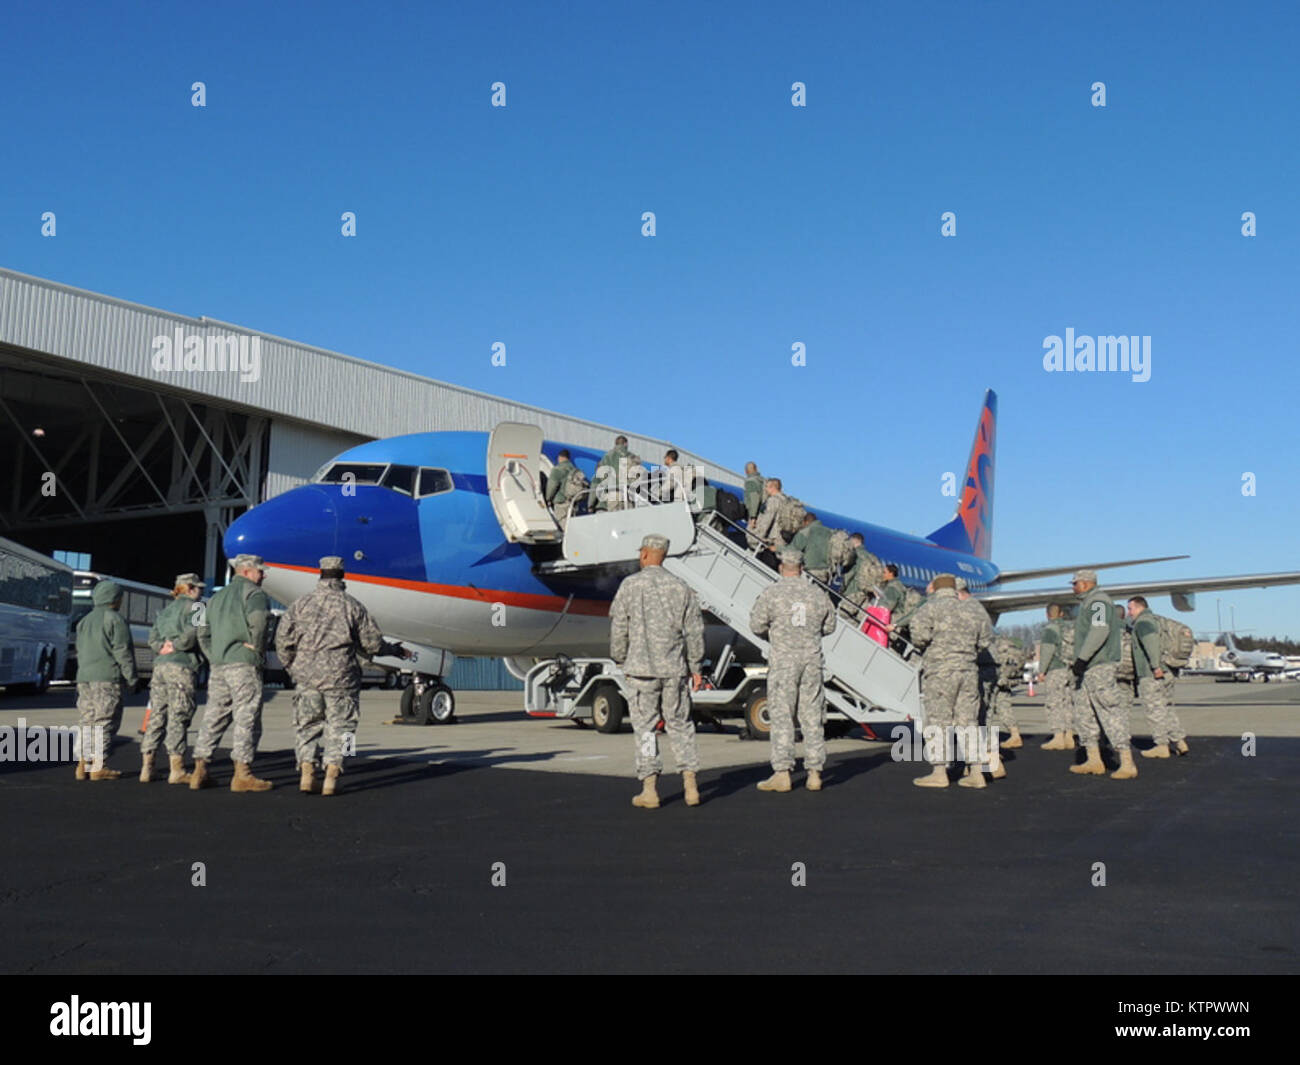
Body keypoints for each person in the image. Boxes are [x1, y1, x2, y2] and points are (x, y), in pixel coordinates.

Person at [275, 557, 411, 796]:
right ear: (342, 575)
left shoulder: (300, 604)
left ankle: (307, 772)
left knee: (306, 726)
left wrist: (293, 669)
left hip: (307, 679)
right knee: (345, 728)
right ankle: (332, 775)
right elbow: (372, 644)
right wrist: (396, 651)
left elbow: (282, 641)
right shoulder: (353, 606)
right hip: (342, 679)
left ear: (321, 573)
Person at [609, 533, 705, 809]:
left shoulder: (630, 586)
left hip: (641, 671)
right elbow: (695, 632)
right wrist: (696, 667)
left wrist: (619, 657)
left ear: (645, 554)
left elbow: (618, 626)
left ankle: (650, 789)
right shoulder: (680, 587)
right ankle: (690, 785)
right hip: (674, 669)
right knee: (680, 725)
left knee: (647, 729)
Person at [749, 548, 837, 792]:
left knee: (782, 715)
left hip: (784, 661)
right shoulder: (817, 593)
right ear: (801, 568)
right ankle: (815, 772)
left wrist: (775, 634)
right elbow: (830, 625)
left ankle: (783, 772)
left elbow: (756, 624)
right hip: (811, 659)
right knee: (812, 716)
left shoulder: (772, 593)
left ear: (781, 567)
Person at [191, 554, 273, 792]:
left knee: (214, 716)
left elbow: (201, 632)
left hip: (219, 665)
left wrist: (213, 654)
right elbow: (259, 620)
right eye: (260, 571)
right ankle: (242, 774)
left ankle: (200, 769)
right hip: (243, 664)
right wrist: (257, 649)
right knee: (247, 716)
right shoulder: (255, 594)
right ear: (247, 572)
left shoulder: (215, 598)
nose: (263, 575)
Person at [909, 574, 993, 788]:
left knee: (938, 720)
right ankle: (976, 772)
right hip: (968, 670)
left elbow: (918, 637)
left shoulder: (930, 608)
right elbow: (985, 640)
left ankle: (939, 772)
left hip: (940, 672)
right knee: (968, 721)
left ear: (935, 588)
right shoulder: (971, 609)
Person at [1067, 569, 1136, 780]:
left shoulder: (1098, 602)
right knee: (1084, 713)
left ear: (1086, 583)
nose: (1073, 587)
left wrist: (1083, 658)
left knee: (1109, 711)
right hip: (1088, 669)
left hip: (1098, 666)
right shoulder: (1088, 603)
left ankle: (1126, 761)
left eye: (1075, 583)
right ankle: (1094, 759)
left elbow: (1099, 631)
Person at [141, 573, 206, 784]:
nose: (201, 592)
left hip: (160, 667)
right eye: (198, 588)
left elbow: (152, 638)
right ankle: (176, 769)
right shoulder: (199, 608)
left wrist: (163, 647)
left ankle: (147, 766)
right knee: (179, 715)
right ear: (189, 588)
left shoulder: (165, 611)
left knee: (157, 715)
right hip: (182, 666)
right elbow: (195, 635)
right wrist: (177, 646)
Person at [74, 580, 139, 780]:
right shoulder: (115, 619)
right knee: (105, 720)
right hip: (107, 677)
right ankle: (98, 766)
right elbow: (122, 651)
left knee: (87, 719)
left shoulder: (84, 621)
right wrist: (132, 678)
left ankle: (82, 764)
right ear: (115, 598)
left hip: (84, 678)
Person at [1129, 596, 1189, 759]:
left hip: (1152, 673)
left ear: (1139, 607)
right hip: (1167, 671)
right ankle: (1179, 741)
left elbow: (1151, 644)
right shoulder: (1158, 621)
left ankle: (1161, 745)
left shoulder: (1143, 623)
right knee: (1167, 708)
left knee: (1154, 710)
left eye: (1131, 609)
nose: (1129, 613)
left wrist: (1155, 667)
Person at [1034, 603, 1076, 750]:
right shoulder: (1071, 628)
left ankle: (1058, 736)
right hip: (1070, 669)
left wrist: (1042, 671)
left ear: (1047, 615)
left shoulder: (1050, 629)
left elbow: (1047, 651)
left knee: (1054, 702)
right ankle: (1069, 735)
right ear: (1062, 614)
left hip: (1056, 669)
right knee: (1068, 702)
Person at [990, 634, 1027, 748]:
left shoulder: (991, 641)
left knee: (986, 709)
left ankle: (985, 745)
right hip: (1006, 678)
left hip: (994, 677)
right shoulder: (1008, 642)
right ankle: (1015, 735)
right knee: (1004, 706)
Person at [788, 512, 833, 585]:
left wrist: (778, 548)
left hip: (809, 574)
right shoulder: (830, 532)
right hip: (825, 575)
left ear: (806, 522)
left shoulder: (806, 531)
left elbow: (792, 550)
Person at [749, 478, 788, 552]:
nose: (765, 489)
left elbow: (767, 522)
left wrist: (755, 538)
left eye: (767, 487)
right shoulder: (785, 501)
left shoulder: (772, 501)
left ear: (773, 488)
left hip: (771, 541)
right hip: (781, 540)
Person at [592, 435, 630, 511]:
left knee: (614, 519)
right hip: (628, 494)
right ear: (626, 444)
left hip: (612, 493)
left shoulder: (606, 457)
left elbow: (598, 478)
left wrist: (591, 503)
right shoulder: (630, 456)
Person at [545, 449, 580, 528]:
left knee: (563, 525)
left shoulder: (557, 469)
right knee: (571, 524)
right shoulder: (574, 469)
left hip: (561, 502)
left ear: (560, 457)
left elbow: (552, 486)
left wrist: (548, 499)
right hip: (573, 502)